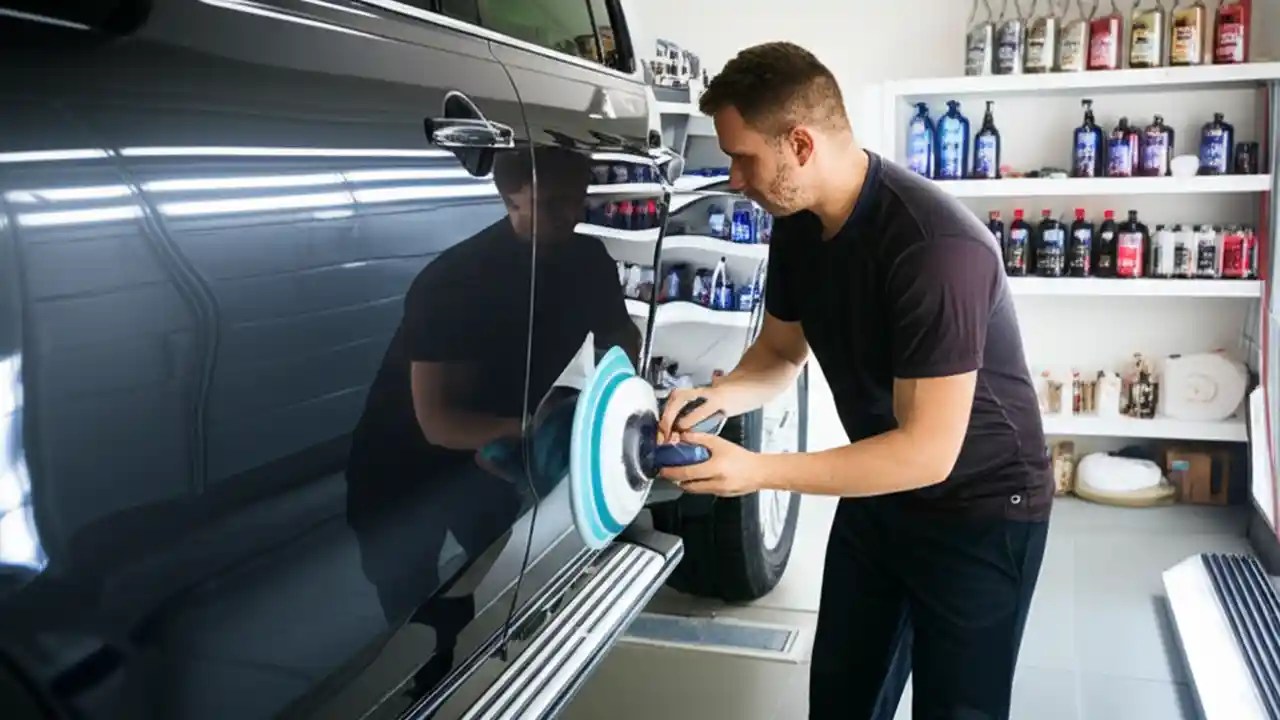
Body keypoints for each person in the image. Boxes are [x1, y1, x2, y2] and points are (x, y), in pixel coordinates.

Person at [656, 42, 1052, 720]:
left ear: (801, 144)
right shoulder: (801, 224)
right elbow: (780, 352)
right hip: (880, 490)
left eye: (743, 156)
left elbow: (928, 453)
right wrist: (715, 396)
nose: (734, 179)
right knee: (841, 701)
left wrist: (758, 471)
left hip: (982, 510)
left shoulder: (933, 248)